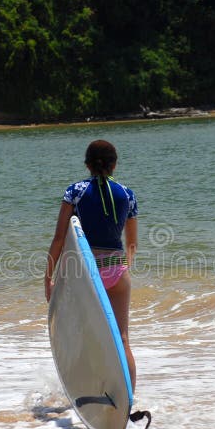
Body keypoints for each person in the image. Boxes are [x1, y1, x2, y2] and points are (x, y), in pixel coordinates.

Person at [45, 139, 138, 390]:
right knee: (122, 338)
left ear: (87, 165)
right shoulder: (128, 194)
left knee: (83, 338)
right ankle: (127, 398)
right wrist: (122, 268)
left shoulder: (74, 192)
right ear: (114, 165)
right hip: (118, 271)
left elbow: (60, 238)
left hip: (85, 273)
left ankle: (89, 390)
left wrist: (48, 277)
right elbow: (131, 244)